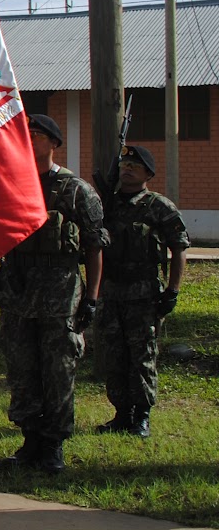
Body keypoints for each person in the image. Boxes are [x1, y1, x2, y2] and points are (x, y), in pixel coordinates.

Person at [0, 113, 105, 472]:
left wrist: (92, 299)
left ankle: (53, 445)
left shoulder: (76, 190)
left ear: (54, 143)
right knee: (22, 371)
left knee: (58, 372)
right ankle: (30, 440)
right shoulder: (12, 185)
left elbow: (95, 247)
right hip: (18, 293)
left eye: (37, 135)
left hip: (59, 295)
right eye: (26, 134)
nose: (30, 140)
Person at [94, 144, 186, 438]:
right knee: (114, 356)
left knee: (142, 356)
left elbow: (179, 248)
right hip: (111, 293)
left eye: (135, 165)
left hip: (144, 296)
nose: (127, 169)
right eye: (124, 164)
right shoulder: (106, 204)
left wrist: (172, 290)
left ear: (148, 173)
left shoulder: (158, 206)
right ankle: (122, 413)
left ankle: (142, 416)